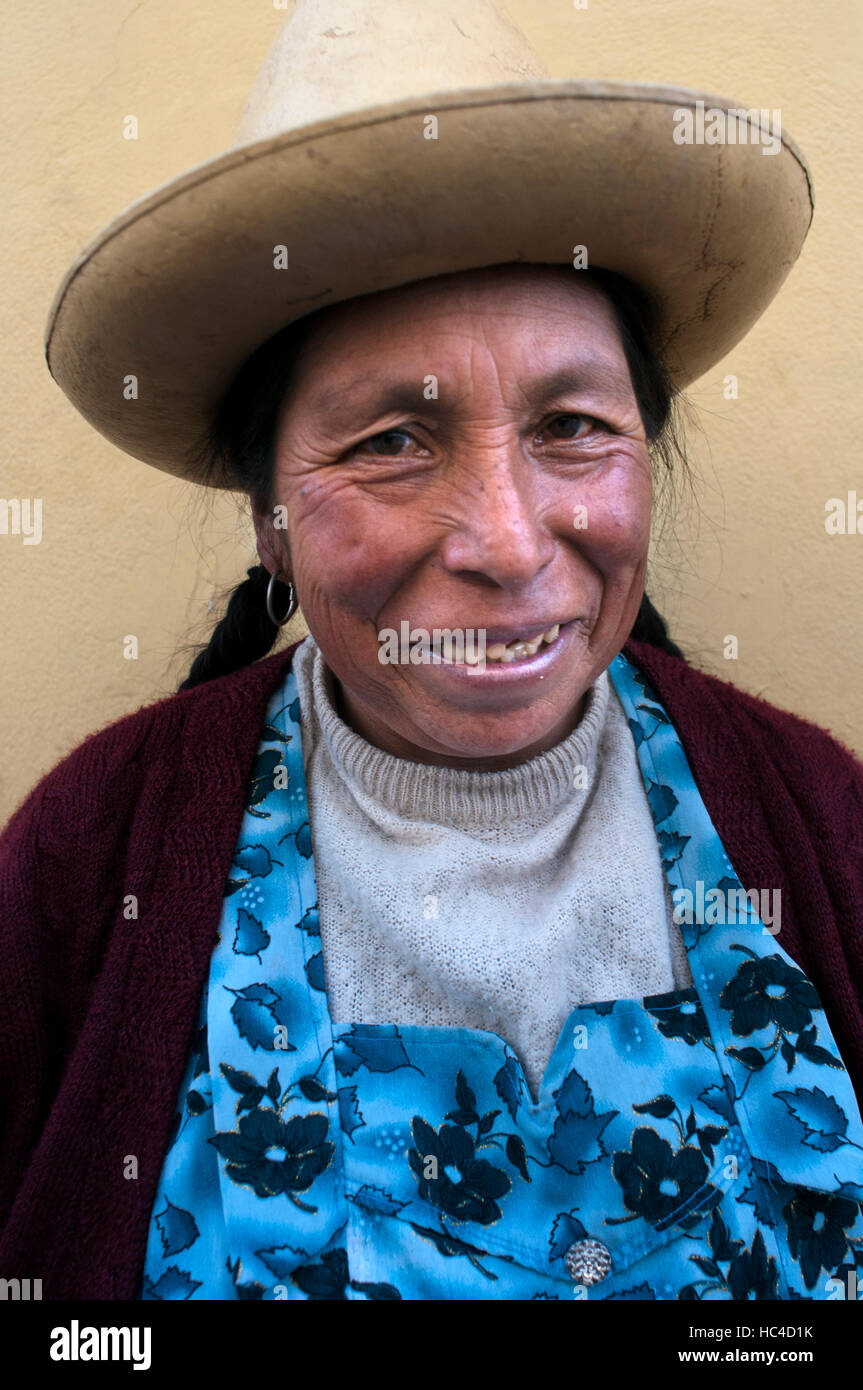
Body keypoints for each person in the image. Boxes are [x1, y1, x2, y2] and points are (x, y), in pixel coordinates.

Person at [2, 0, 862, 1302]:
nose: (511, 545)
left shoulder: (820, 821)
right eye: (392, 441)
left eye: (573, 423)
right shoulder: (91, 854)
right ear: (270, 521)